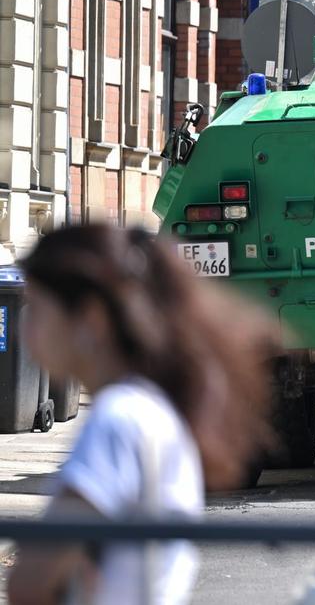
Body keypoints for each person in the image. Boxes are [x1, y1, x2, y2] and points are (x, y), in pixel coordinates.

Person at [7, 225, 280, 605]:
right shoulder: (148, 408)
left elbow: (30, 582)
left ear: (91, 317)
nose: (23, 328)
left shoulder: (118, 419)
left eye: (37, 308)